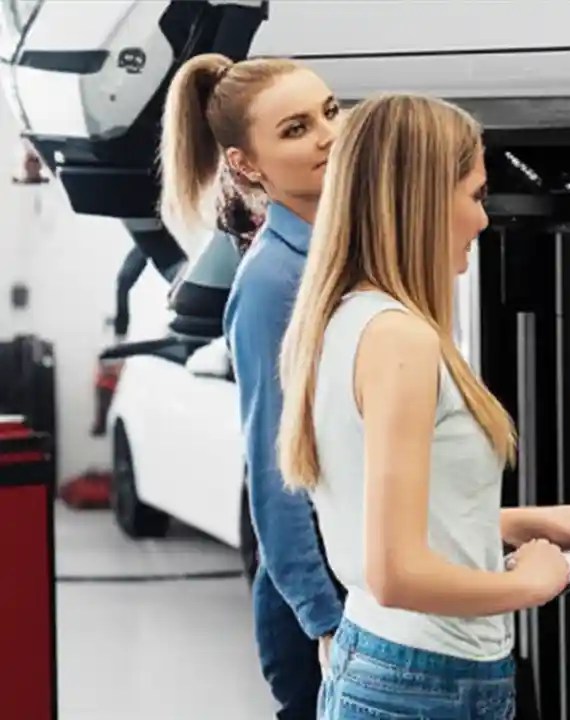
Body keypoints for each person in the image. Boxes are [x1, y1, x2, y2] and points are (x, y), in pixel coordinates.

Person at [275, 92, 570, 719]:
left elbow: (394, 524)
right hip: (429, 683)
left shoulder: (343, 319)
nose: (483, 220)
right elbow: (396, 573)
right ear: (422, 199)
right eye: (475, 196)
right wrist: (525, 585)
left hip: (386, 662)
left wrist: (525, 523)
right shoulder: (401, 340)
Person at [158, 52, 343, 720]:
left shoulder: (343, 257)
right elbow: (276, 471)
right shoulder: (272, 283)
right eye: (295, 129)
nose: (328, 134)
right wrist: (324, 622)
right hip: (321, 598)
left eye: (329, 111)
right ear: (246, 165)